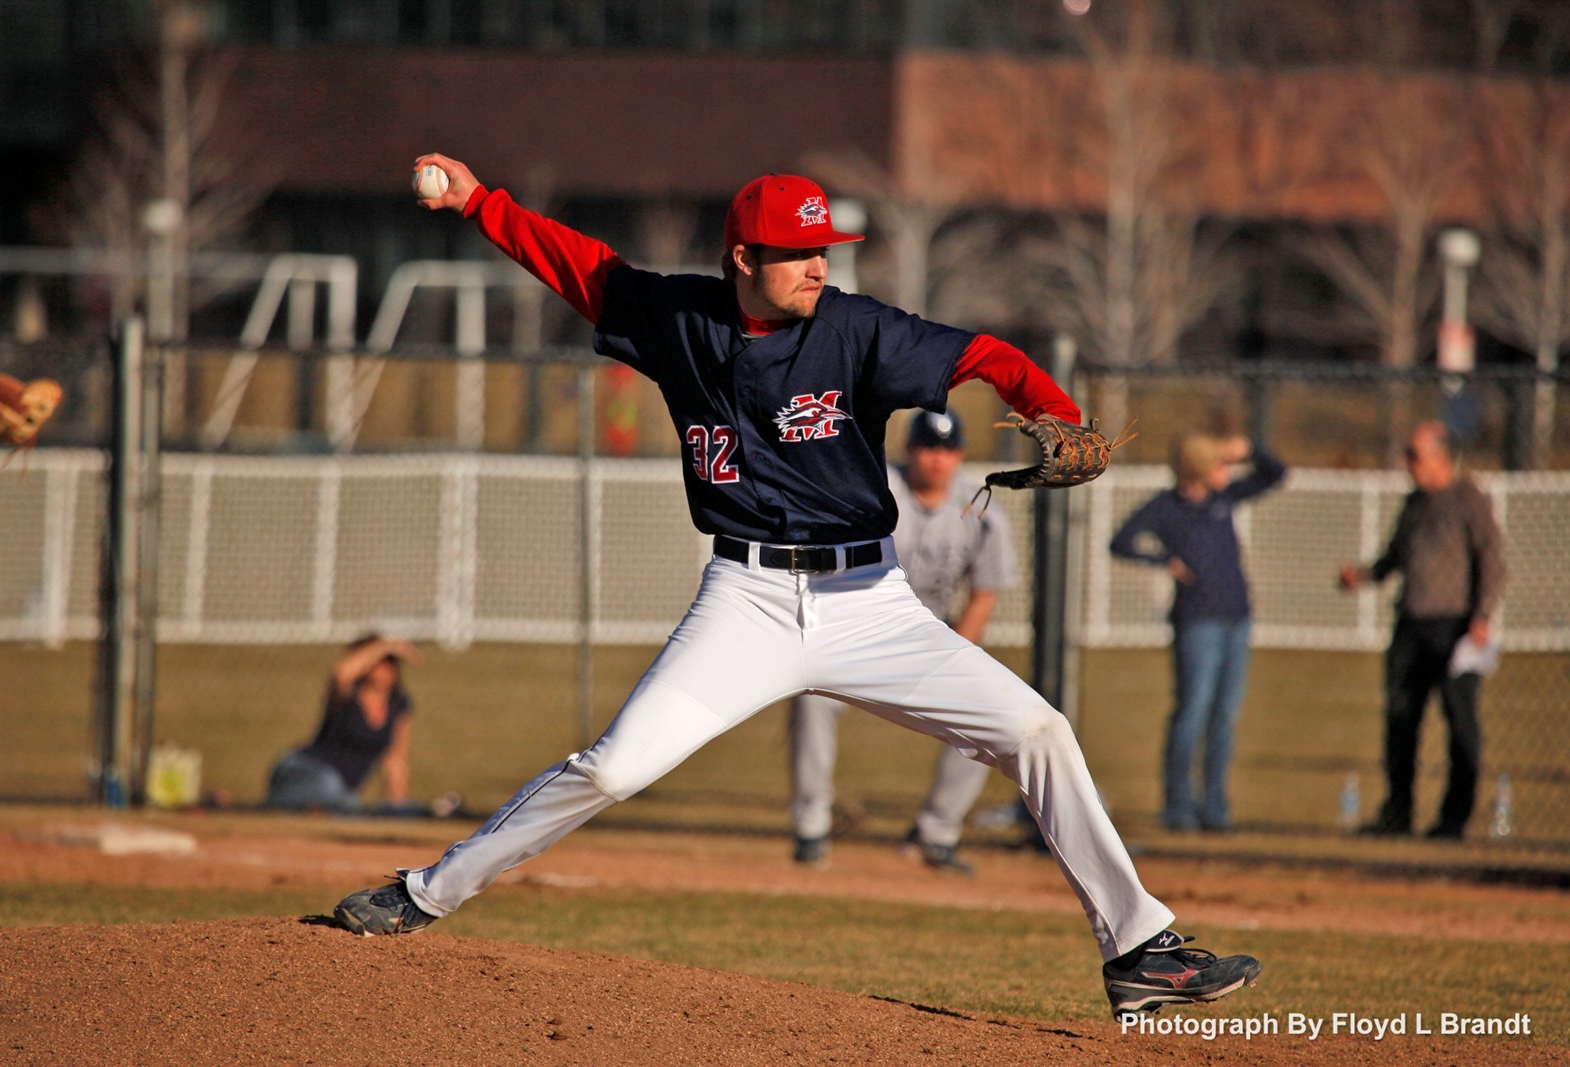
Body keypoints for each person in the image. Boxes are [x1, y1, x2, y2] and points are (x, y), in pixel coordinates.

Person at [333, 156, 1262, 1019]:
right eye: (797, 252)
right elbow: (577, 266)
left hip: (874, 606)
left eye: (825, 249)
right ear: (744, 256)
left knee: (1039, 731)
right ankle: (425, 892)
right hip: (745, 601)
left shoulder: (855, 329)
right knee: (614, 766)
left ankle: (1139, 946)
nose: (817, 266)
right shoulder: (680, 318)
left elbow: (982, 353)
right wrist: (477, 201)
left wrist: (1050, 407)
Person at [789, 407, 1016, 874]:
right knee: (811, 700)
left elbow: (984, 591)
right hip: (857, 631)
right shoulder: (873, 492)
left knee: (988, 708)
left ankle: (936, 833)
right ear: (910, 451)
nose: (937, 459)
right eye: (928, 447)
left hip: (927, 634)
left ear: (961, 455)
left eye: (947, 449)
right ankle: (811, 826)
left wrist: (960, 654)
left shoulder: (979, 505)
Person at [1109, 434, 1286, 832]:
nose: (1227, 471)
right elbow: (1120, 541)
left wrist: (1251, 449)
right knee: (1192, 711)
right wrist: (1164, 560)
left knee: (1224, 716)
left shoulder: (1222, 500)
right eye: (1219, 464)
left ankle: (1216, 808)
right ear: (1199, 470)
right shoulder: (1167, 507)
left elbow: (1276, 475)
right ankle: (1179, 806)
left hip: (1237, 618)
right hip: (1198, 621)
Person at [1339, 421, 1505, 839]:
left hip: (1454, 628)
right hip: (1410, 625)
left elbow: (1492, 562)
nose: (1408, 464)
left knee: (1460, 724)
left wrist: (1481, 616)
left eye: (1415, 455)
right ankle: (1398, 813)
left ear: (1440, 457)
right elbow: (1394, 556)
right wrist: (1363, 576)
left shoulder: (1468, 500)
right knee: (1400, 720)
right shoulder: (1414, 503)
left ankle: (1454, 820)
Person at [266, 633, 423, 814]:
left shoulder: (398, 704)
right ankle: (281, 804)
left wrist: (396, 807)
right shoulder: (347, 694)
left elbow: (395, 760)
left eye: (390, 662)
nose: (385, 668)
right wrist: (387, 645)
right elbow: (342, 672)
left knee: (347, 801)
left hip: (341, 790)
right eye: (379, 661)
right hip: (303, 769)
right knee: (335, 792)